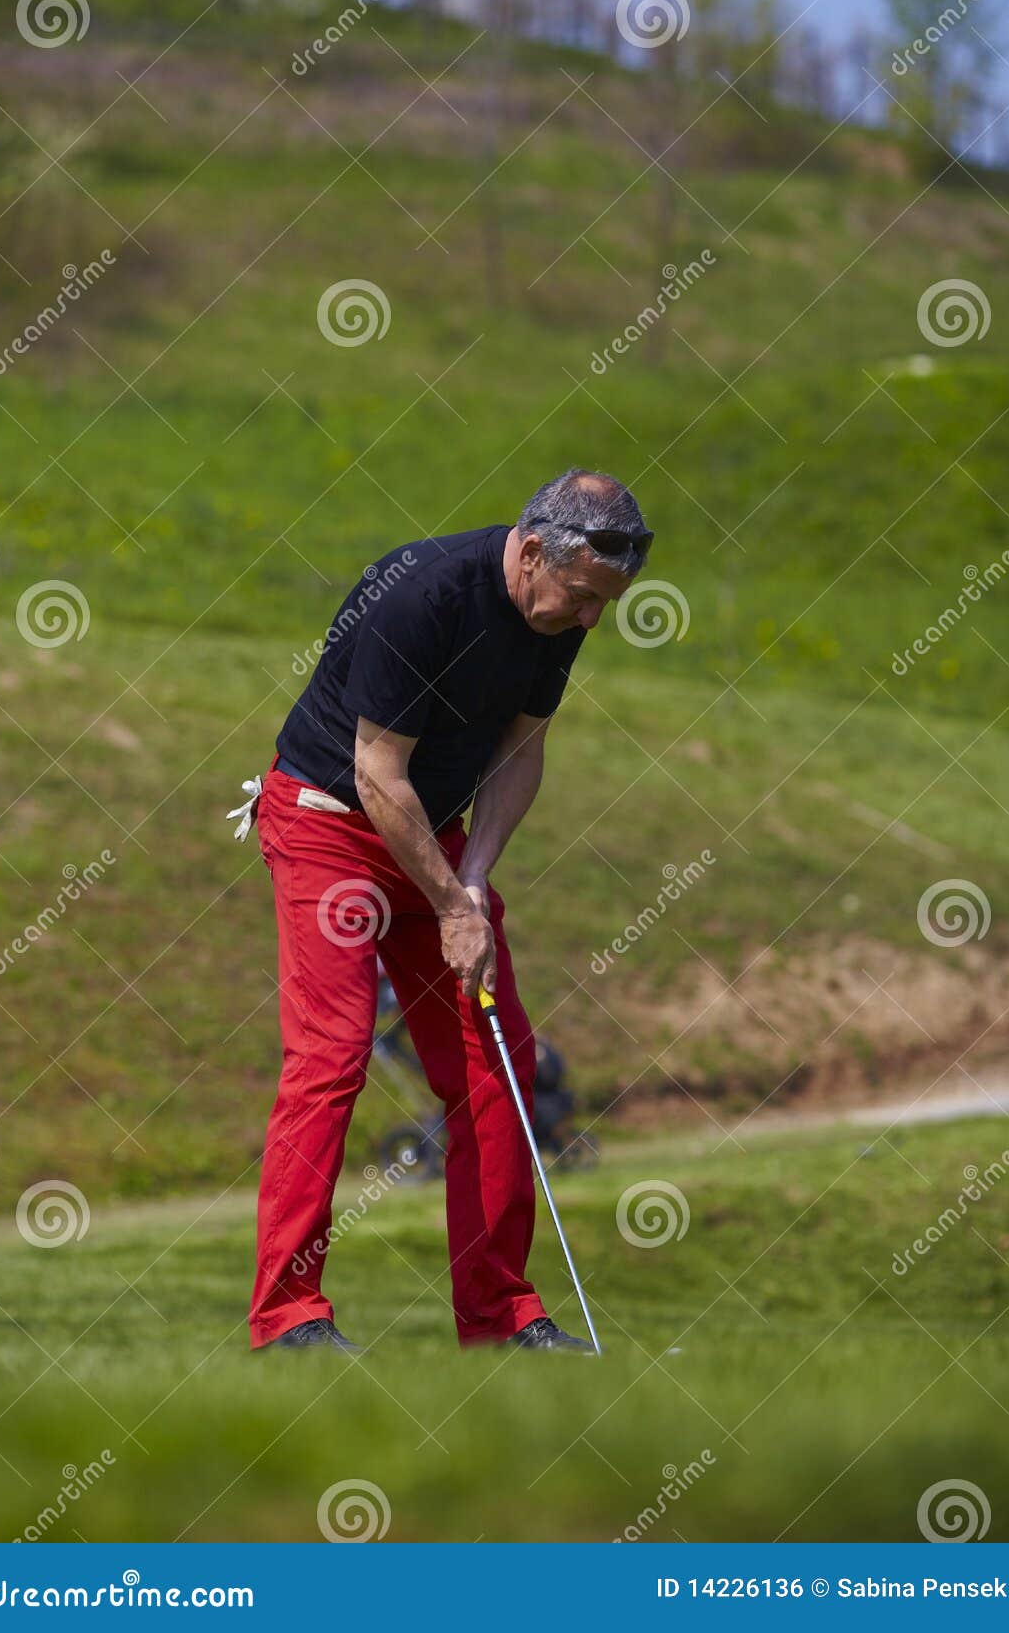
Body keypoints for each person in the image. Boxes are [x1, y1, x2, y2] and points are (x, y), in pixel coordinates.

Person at [236, 468, 652, 1355]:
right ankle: (287, 1317)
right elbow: (375, 774)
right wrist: (453, 904)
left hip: (430, 835)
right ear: (532, 552)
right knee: (331, 1059)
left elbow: (520, 752)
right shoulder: (421, 596)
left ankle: (499, 1319)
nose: (588, 621)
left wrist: (473, 877)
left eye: (603, 605)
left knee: (497, 1062)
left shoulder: (557, 614)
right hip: (328, 826)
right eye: (582, 597)